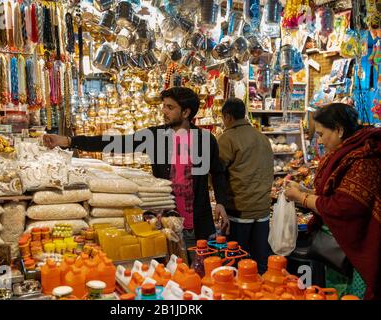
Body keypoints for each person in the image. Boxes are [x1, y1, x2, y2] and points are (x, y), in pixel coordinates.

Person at [43, 87, 230, 263]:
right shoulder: (155, 137)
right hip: (164, 222)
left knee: (201, 272)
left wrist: (220, 202)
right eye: (163, 106)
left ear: (186, 112)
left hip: (198, 223)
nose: (164, 111)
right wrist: (69, 141)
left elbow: (218, 172)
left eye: (170, 107)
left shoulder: (205, 139)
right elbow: (113, 143)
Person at [285, 103, 381, 300]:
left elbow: (343, 206)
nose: (319, 141)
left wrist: (302, 198)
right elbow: (335, 194)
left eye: (321, 134)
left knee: (352, 295)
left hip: (358, 248)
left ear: (338, 129)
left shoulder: (363, 158)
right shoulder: (348, 152)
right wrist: (307, 191)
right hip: (340, 246)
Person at [217, 97, 274, 273]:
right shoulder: (262, 137)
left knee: (238, 263)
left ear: (227, 117)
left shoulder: (227, 139)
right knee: (260, 262)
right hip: (263, 209)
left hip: (240, 210)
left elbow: (218, 172)